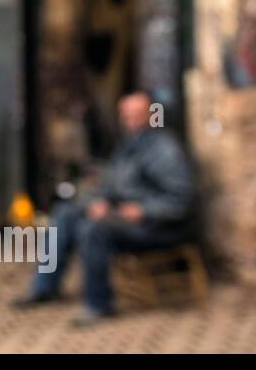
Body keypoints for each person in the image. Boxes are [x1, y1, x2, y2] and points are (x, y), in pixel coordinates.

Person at [13, 90, 198, 325]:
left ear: (152, 114)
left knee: (93, 229)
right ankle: (44, 286)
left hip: (158, 226)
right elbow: (114, 186)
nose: (129, 119)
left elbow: (180, 201)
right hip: (124, 216)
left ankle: (99, 304)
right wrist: (100, 201)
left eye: (136, 114)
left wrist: (142, 210)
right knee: (65, 213)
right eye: (126, 114)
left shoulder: (165, 149)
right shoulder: (128, 146)